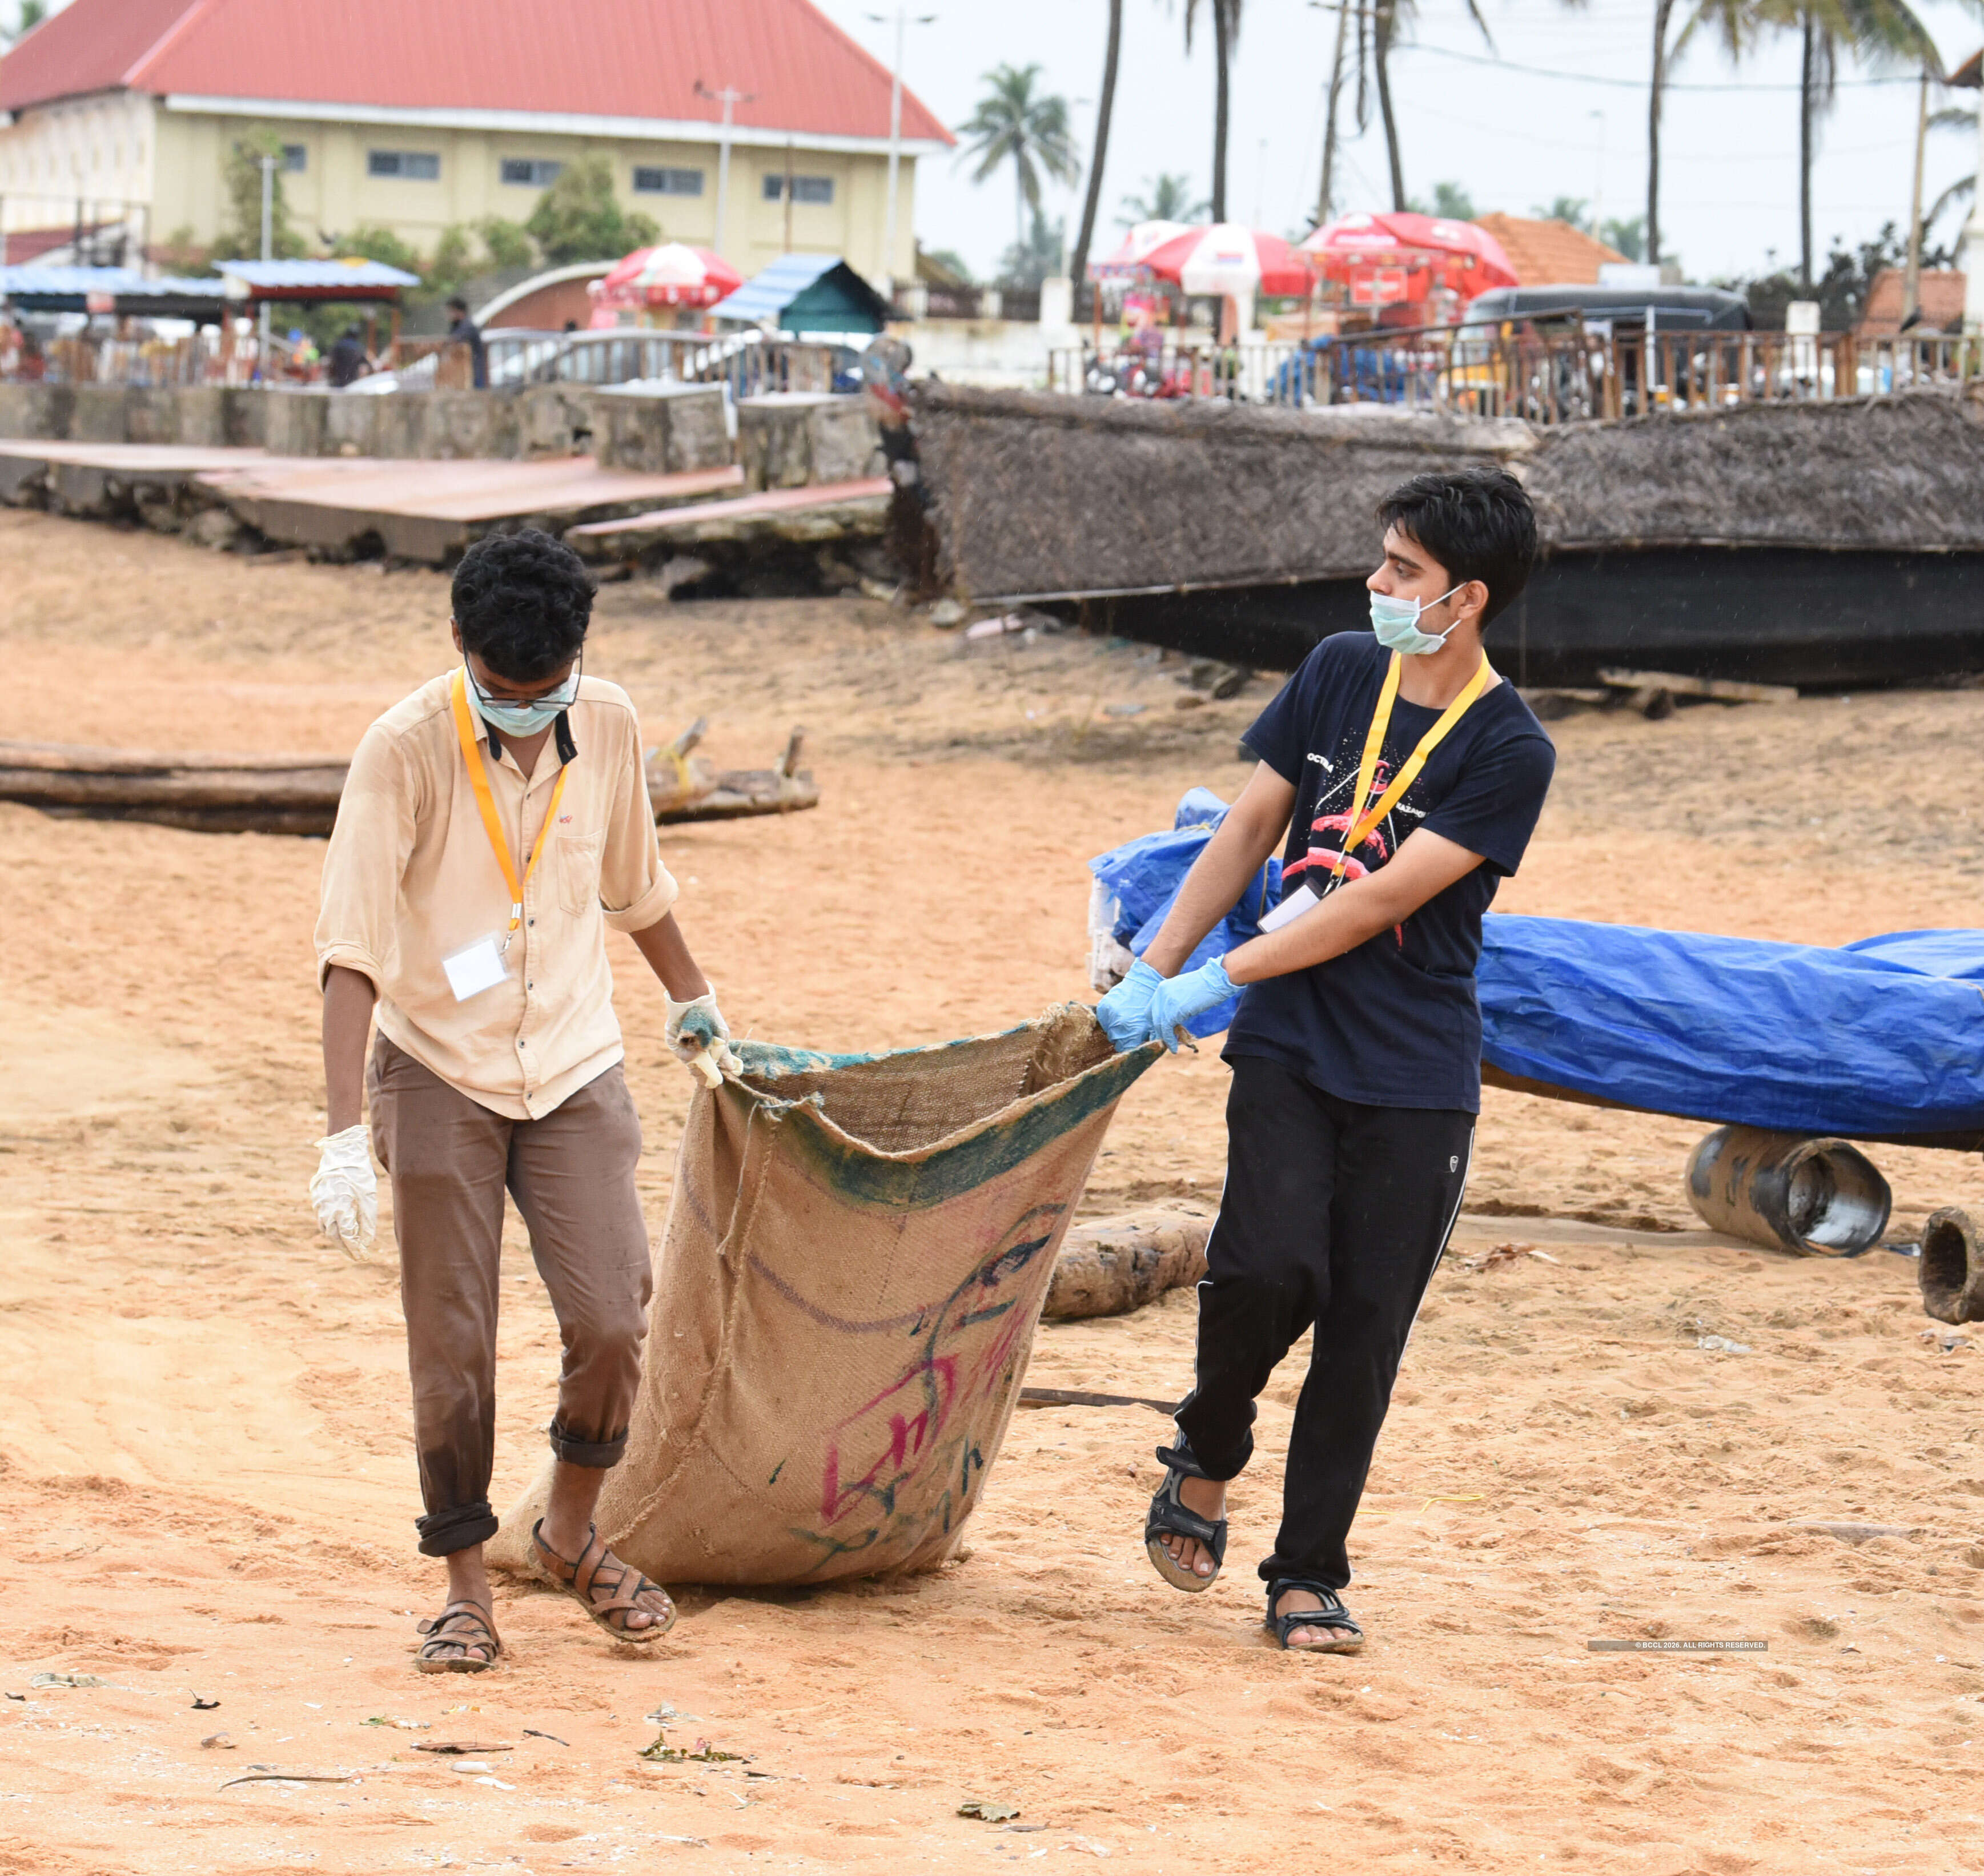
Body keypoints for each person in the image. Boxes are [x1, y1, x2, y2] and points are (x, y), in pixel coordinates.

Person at [1097, 467, 1556, 1655]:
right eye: (1383, 561)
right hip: (1294, 1037)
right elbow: (1249, 824)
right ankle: (1208, 1445)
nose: (1377, 582)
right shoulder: (1341, 667)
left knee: (1364, 1324)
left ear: (1465, 598)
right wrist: (1156, 965)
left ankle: (1305, 1572)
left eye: (1402, 570)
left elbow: (1382, 898)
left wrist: (1217, 981)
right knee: (1265, 1267)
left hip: (1413, 1062)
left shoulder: (1511, 746)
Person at [310, 529, 742, 1672]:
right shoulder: (401, 749)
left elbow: (635, 883)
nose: (525, 710)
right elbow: (350, 946)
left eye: (544, 691)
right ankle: (464, 1584)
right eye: (504, 694)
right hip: (436, 1060)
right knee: (453, 1341)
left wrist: (693, 997)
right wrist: (344, 1133)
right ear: (460, 648)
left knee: (612, 1314)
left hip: (572, 1059)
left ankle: (564, 1529)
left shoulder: (604, 720)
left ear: (577, 661)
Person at [447, 295, 489, 389]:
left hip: (474, 370)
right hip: (465, 373)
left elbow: (454, 341)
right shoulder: (457, 326)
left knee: (477, 393)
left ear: (459, 311)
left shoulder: (468, 326)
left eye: (451, 311)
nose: (449, 314)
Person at [327, 322, 372, 389]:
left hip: (338, 382)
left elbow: (331, 362)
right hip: (353, 383)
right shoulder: (359, 347)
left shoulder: (339, 345)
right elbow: (368, 363)